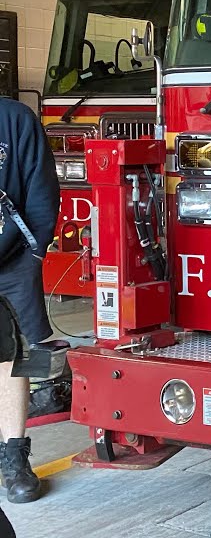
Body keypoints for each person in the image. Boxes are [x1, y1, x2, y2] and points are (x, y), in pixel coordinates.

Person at [0, 96, 60, 503]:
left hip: (14, 261)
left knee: (22, 354)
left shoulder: (16, 118)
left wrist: (35, 253)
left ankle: (15, 457)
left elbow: (43, 190)